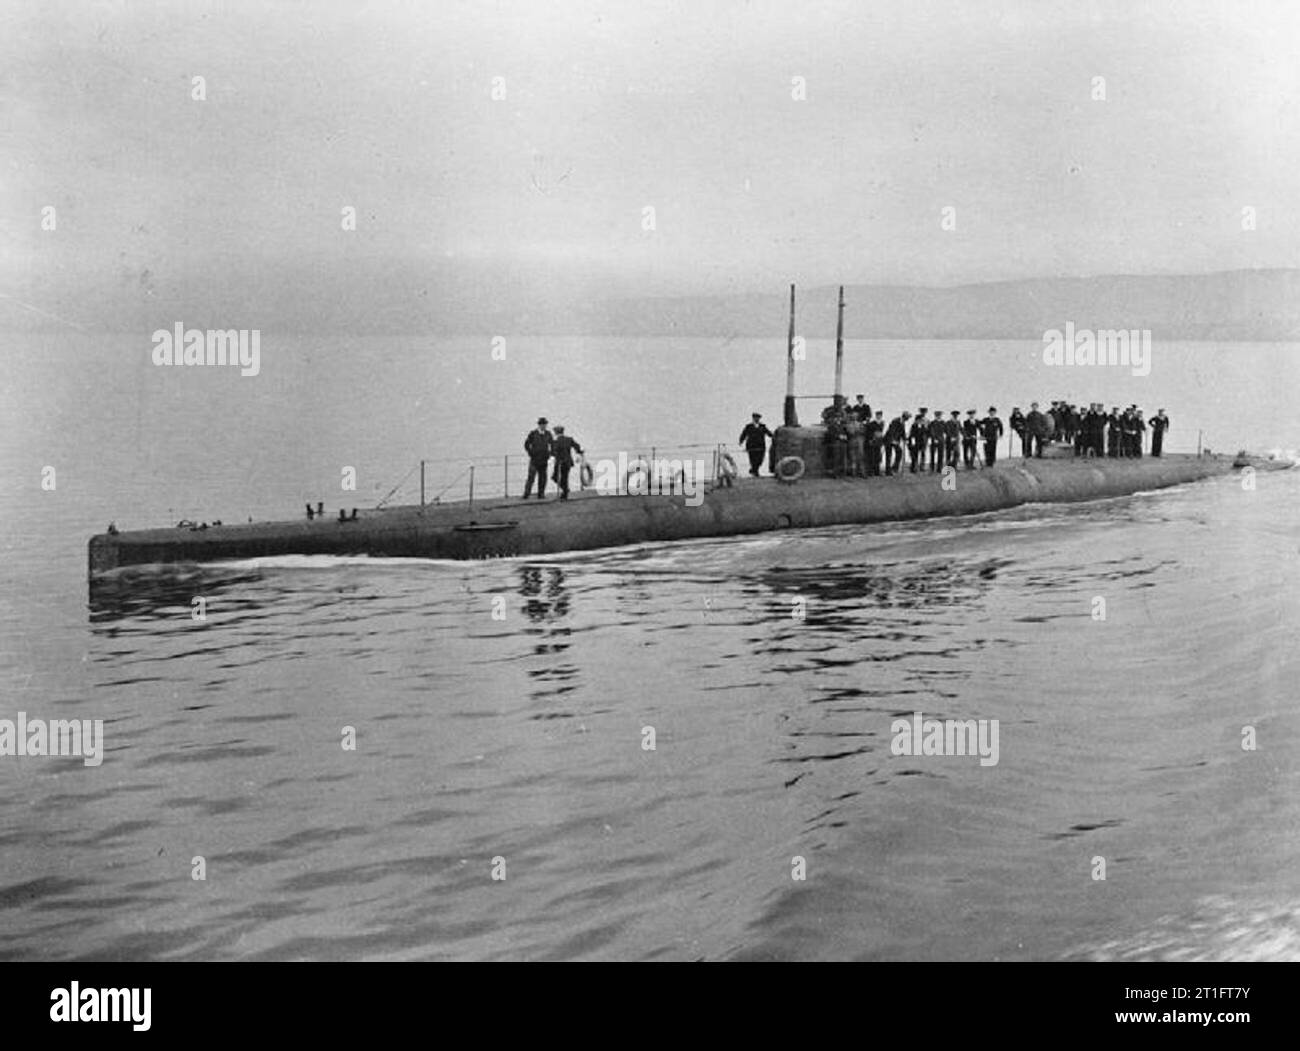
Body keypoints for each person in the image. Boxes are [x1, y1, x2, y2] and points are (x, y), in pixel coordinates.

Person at [550, 425, 584, 500]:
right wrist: (580, 452)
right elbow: (577, 447)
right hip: (568, 461)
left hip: (560, 462)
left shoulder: (556, 441)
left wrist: (552, 457)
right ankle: (565, 492)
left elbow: (553, 452)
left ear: (556, 432)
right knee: (565, 477)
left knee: (555, 477)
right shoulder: (569, 439)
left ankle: (565, 490)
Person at [523, 417, 553, 499]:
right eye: (542, 424)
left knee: (543, 478)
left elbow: (552, 445)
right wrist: (531, 453)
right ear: (539, 425)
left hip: (544, 460)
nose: (544, 426)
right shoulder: (533, 433)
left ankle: (541, 494)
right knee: (531, 477)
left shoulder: (548, 434)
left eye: (545, 424)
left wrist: (549, 454)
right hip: (534, 459)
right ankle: (526, 493)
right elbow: (526, 444)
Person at [908, 409, 929, 474]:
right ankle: (914, 468)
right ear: (917, 420)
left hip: (923, 442)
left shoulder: (923, 426)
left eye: (921, 420)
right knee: (915, 455)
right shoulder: (914, 426)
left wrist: (926, 440)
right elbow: (912, 435)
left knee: (923, 454)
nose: (920, 421)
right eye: (919, 420)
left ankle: (922, 467)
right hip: (916, 442)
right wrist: (913, 442)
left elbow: (926, 433)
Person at [867, 409, 886, 476]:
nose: (879, 416)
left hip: (879, 441)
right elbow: (869, 432)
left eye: (880, 415)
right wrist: (871, 439)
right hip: (873, 440)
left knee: (878, 456)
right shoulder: (872, 423)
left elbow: (882, 432)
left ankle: (877, 471)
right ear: (876, 416)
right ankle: (871, 471)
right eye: (878, 415)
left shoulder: (882, 423)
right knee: (872, 456)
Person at [846, 412, 866, 477]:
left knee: (861, 457)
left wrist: (859, 431)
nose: (854, 417)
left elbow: (863, 431)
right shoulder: (849, 424)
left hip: (859, 441)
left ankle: (862, 472)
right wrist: (857, 431)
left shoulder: (860, 424)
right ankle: (853, 472)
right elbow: (850, 432)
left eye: (856, 416)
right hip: (852, 441)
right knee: (853, 458)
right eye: (853, 416)